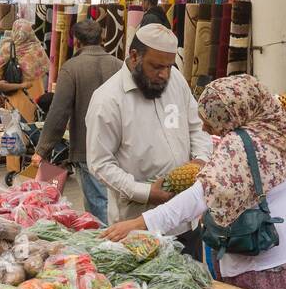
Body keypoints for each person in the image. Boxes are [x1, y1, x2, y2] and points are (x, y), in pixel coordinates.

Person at [102, 76, 286, 289]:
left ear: (233, 112)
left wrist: (138, 224)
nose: (206, 128)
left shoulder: (237, 146)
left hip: (262, 261)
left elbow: (198, 197)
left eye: (210, 120)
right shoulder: (270, 127)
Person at [85, 22, 210, 236]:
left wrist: (201, 159)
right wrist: (145, 192)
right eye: (157, 67)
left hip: (185, 218)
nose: (164, 75)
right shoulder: (108, 100)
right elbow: (100, 164)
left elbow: (196, 127)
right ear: (134, 56)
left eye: (169, 67)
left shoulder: (176, 81)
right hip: (136, 226)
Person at [31, 19, 122, 225]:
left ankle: (108, 245)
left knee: (98, 202)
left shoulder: (71, 68)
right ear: (102, 39)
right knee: (115, 199)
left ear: (76, 41)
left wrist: (42, 149)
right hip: (118, 145)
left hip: (87, 146)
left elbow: (58, 112)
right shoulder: (119, 65)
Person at [0, 18, 50, 86]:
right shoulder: (38, 48)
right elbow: (46, 68)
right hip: (36, 87)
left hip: (13, 87)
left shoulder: (7, 49)